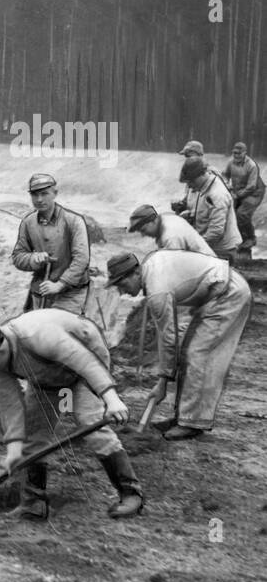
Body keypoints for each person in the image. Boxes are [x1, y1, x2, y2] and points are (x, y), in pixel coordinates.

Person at [0, 312, 141, 519]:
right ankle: (34, 504)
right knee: (34, 432)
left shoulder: (37, 336)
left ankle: (131, 494)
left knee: (89, 421)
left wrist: (112, 399)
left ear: (0, 347)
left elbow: (85, 362)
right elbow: (9, 401)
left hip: (86, 366)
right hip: (46, 376)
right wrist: (13, 449)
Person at [105, 250, 252, 440]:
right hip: (213, 294)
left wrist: (162, 382)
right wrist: (166, 374)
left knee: (198, 355)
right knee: (186, 353)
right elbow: (173, 331)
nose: (121, 290)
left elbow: (168, 336)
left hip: (228, 294)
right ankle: (182, 417)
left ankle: (192, 423)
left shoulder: (157, 289)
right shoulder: (151, 269)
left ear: (136, 273)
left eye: (122, 283)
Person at [12, 173, 91, 314]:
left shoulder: (74, 221)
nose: (39, 199)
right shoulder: (28, 223)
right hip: (40, 293)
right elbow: (18, 256)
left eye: (44, 194)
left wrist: (61, 284)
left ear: (55, 193)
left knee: (60, 332)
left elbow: (82, 258)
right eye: (35, 195)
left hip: (70, 294)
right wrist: (32, 259)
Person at [172, 156, 241, 261]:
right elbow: (202, 210)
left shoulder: (218, 194)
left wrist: (193, 245)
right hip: (207, 246)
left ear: (202, 175)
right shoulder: (198, 187)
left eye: (191, 181)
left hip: (221, 251)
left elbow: (216, 231)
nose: (189, 186)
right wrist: (188, 213)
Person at [127, 204, 214, 256]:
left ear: (153, 221)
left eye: (143, 230)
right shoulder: (165, 220)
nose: (143, 235)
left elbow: (173, 269)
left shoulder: (170, 236)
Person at [223, 142, 262, 253]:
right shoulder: (231, 162)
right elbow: (225, 174)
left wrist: (237, 195)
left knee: (242, 214)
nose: (236, 156)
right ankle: (239, 240)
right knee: (230, 213)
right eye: (234, 153)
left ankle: (251, 238)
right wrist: (226, 184)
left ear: (245, 153)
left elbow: (251, 186)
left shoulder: (251, 165)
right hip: (237, 192)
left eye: (238, 153)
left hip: (253, 193)